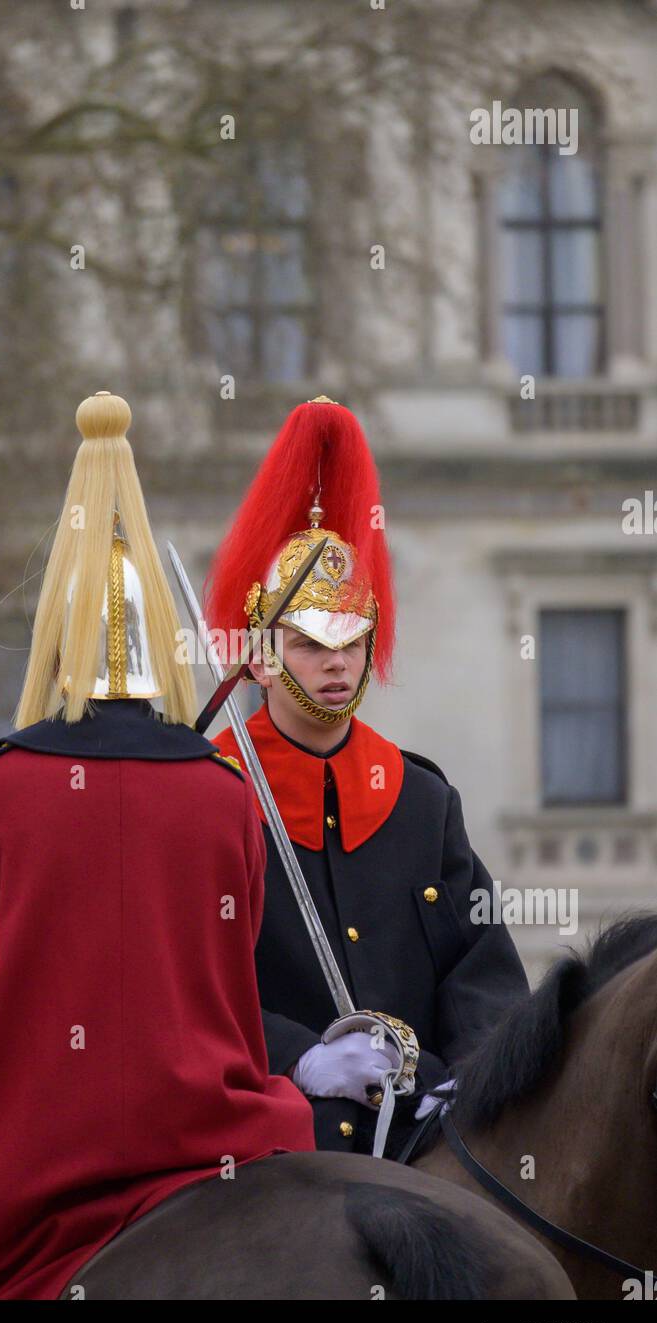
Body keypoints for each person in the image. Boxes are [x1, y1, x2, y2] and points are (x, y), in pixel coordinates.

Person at [0, 390, 315, 1300]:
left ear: (61, 644)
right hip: (205, 1122)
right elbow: (231, 969)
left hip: (27, 1128)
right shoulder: (224, 792)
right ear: (159, 644)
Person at [203, 395, 529, 1159]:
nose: (336, 662)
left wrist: (469, 1077)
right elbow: (183, 981)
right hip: (269, 1145)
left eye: (352, 639)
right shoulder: (210, 794)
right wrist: (296, 1056)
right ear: (259, 654)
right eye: (311, 642)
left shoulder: (419, 799)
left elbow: (479, 963)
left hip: (422, 1140)